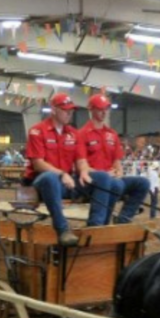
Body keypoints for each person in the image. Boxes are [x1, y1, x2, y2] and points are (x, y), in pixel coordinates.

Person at [25, 93, 114, 247]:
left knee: (103, 178)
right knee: (49, 178)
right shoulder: (37, 131)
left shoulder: (74, 133)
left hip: (65, 183)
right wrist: (62, 174)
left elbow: (80, 160)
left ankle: (95, 227)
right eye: (65, 110)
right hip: (40, 183)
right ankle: (62, 229)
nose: (69, 113)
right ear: (53, 109)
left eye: (71, 110)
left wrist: (85, 172)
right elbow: (38, 164)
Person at [76, 94, 150, 225]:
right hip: (94, 180)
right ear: (91, 110)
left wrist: (118, 172)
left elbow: (117, 161)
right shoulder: (82, 134)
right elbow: (82, 165)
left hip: (111, 178)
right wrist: (105, 175)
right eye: (100, 109)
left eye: (106, 108)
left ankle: (123, 219)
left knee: (143, 183)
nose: (104, 112)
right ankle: (99, 224)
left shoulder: (112, 134)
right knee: (113, 183)